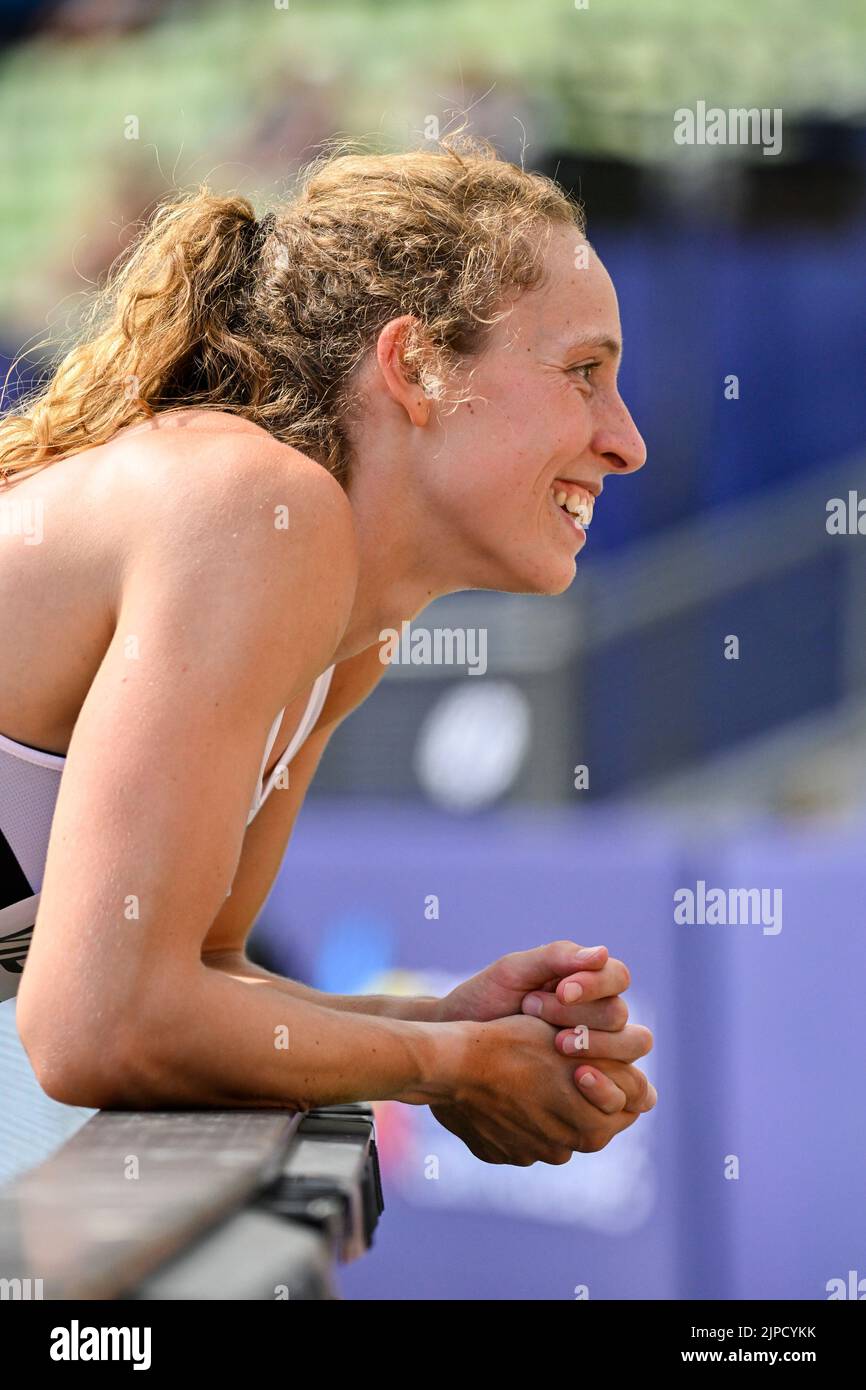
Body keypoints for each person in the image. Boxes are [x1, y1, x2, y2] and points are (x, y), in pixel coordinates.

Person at [0, 137, 654, 1169]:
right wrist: (450, 1066)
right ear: (414, 367)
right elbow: (96, 1026)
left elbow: (192, 978)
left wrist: (443, 1026)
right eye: (582, 374)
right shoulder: (257, 507)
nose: (626, 441)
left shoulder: (351, 614)